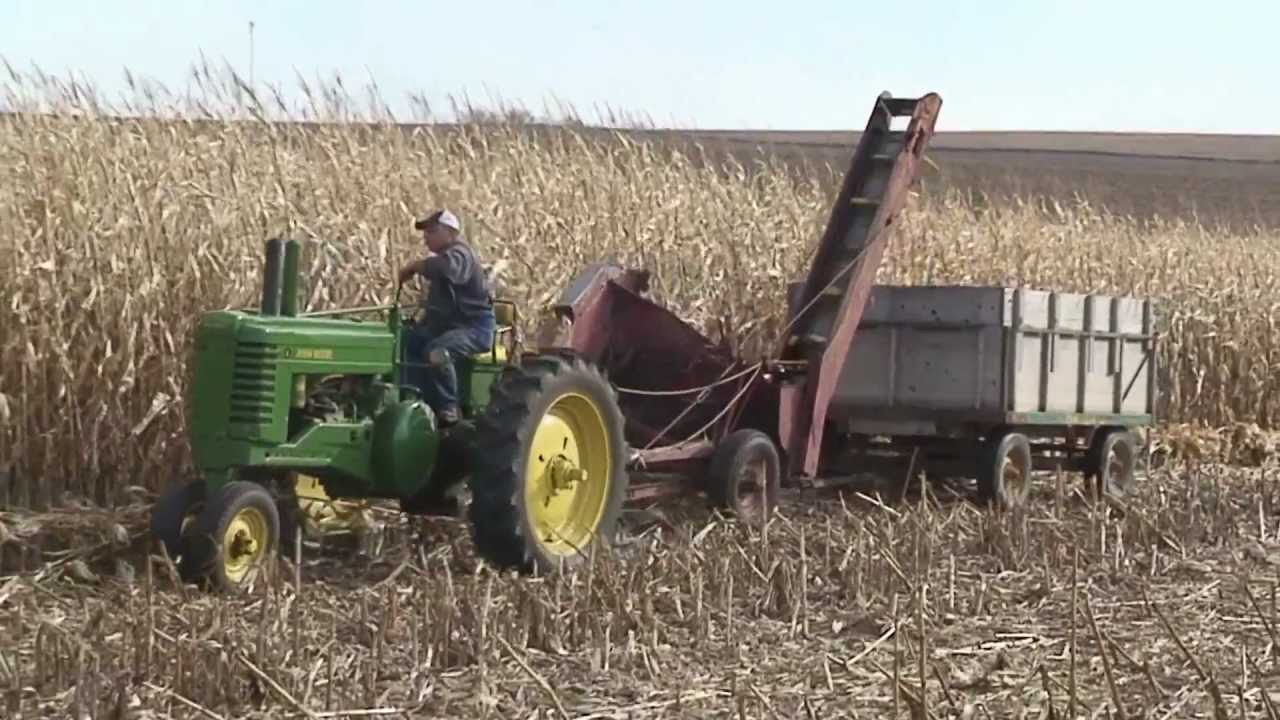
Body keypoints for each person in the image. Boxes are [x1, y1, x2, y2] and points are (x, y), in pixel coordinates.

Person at [397, 209, 495, 426]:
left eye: (432, 231)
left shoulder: (461, 254)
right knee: (403, 341)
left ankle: (449, 408)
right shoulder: (444, 257)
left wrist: (416, 266)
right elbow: (438, 310)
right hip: (449, 327)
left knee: (438, 351)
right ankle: (408, 397)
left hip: (474, 329)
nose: (426, 237)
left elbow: (448, 269)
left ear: (451, 232)